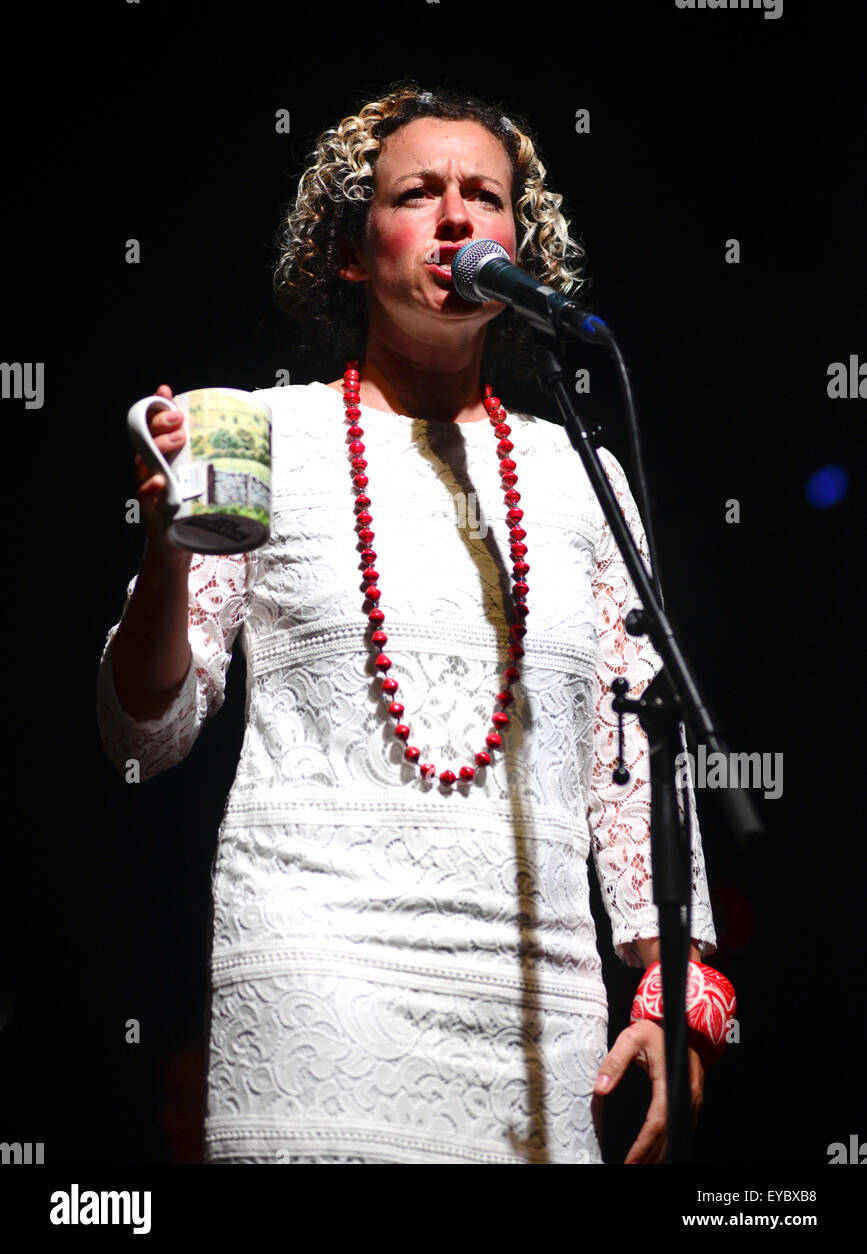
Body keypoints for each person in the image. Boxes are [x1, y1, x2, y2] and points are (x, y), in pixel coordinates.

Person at [97, 83, 727, 1165]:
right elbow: (145, 735)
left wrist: (676, 987)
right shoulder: (259, 434)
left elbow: (628, 754)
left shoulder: (585, 474)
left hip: (540, 998)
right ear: (352, 249)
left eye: (484, 195)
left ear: (521, 246)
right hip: (320, 979)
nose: (454, 217)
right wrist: (164, 553)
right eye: (417, 193)